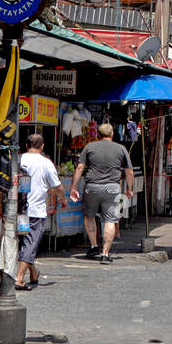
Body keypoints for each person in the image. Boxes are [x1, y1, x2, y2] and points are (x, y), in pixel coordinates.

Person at [69, 123, 134, 264]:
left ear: (98, 135)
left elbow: (80, 167)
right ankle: (105, 254)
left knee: (89, 216)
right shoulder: (121, 148)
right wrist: (129, 188)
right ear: (112, 134)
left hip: (92, 187)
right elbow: (129, 171)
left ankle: (93, 246)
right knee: (110, 220)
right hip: (112, 188)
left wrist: (73, 187)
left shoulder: (90, 147)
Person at [16, 134, 64, 289]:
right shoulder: (45, 163)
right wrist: (63, 199)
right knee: (30, 243)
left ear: (26, 145)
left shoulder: (17, 160)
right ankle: (19, 278)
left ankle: (33, 273)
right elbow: (57, 186)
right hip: (35, 212)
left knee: (25, 242)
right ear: (42, 146)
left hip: (18, 211)